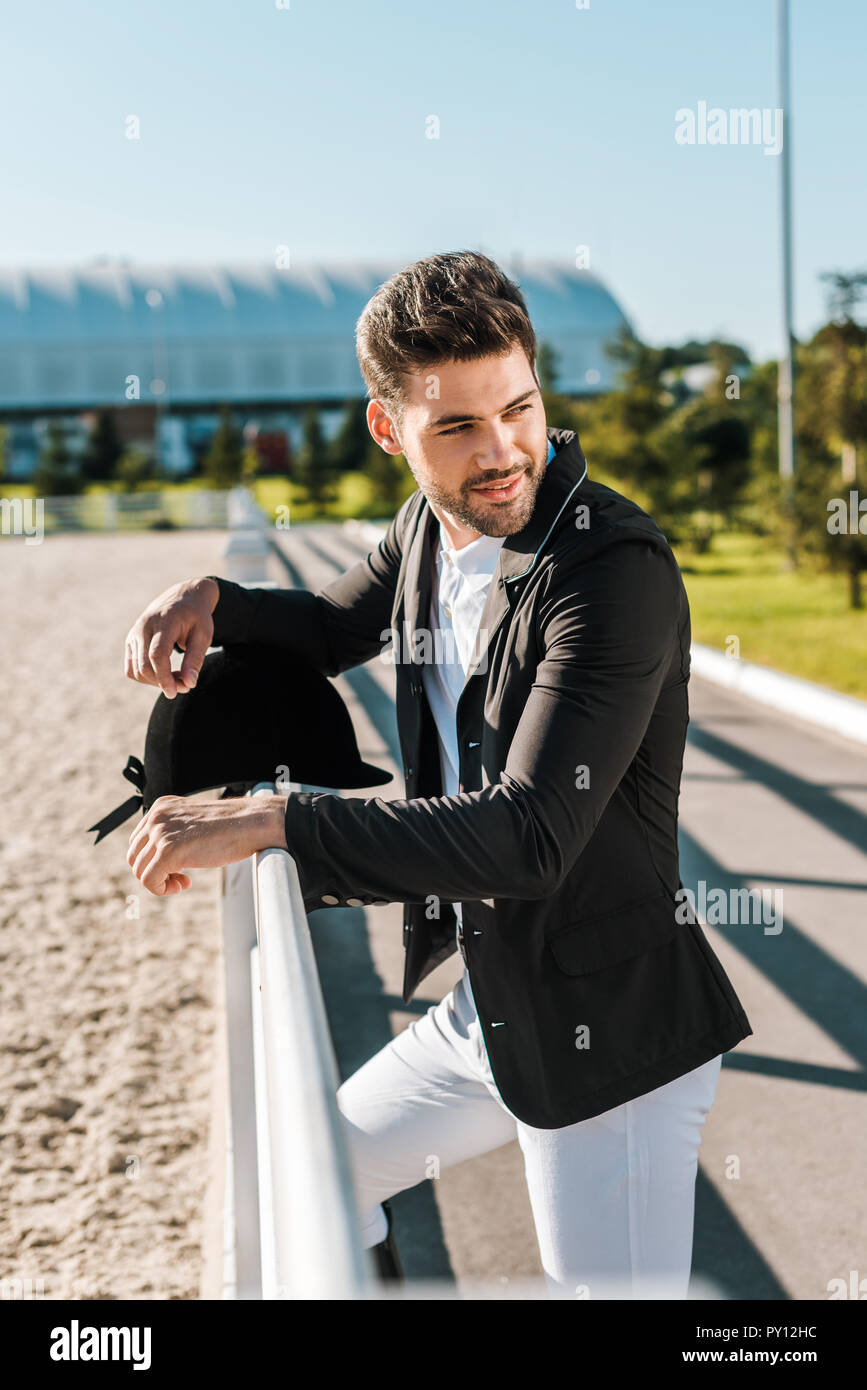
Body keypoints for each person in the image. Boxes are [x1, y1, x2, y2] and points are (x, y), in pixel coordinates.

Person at [123, 250, 752, 1298]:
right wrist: (213, 599)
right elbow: (327, 625)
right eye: (457, 427)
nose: (505, 452)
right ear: (389, 428)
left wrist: (278, 821)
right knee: (311, 1178)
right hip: (493, 1006)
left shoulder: (610, 572)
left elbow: (529, 837)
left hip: (616, 1045)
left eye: (519, 409)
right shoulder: (426, 527)